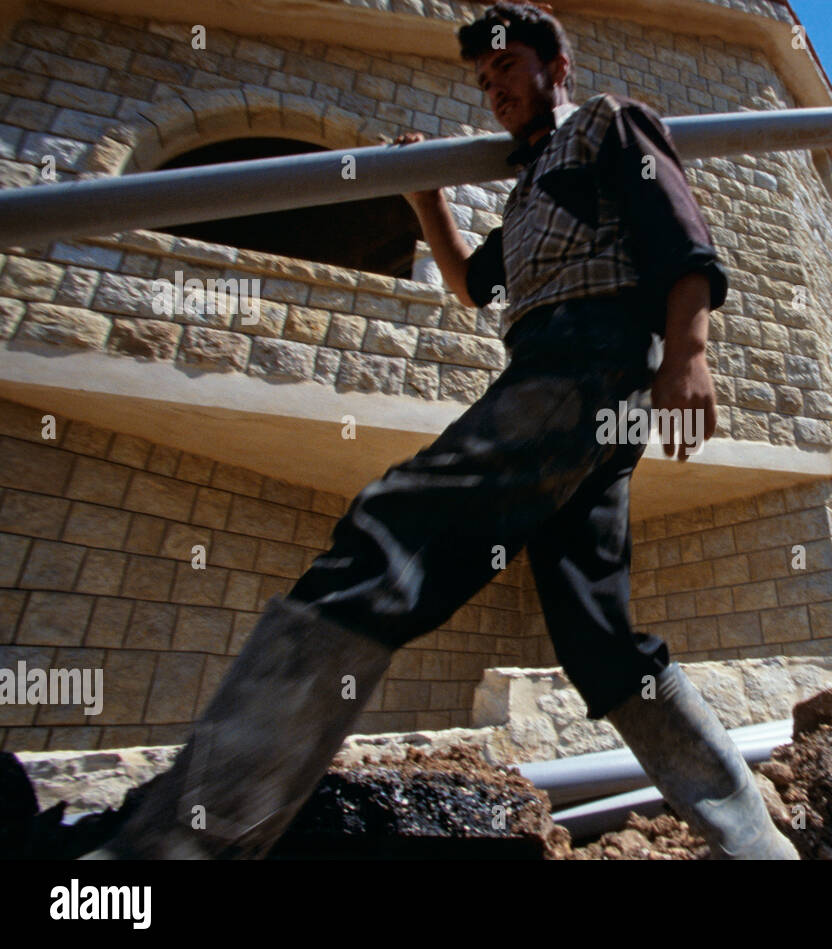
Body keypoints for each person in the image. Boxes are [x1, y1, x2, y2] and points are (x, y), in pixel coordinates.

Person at [88, 2, 795, 860]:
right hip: (556, 380)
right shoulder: (531, 185)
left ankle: (178, 849)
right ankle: (759, 847)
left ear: (554, 65)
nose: (494, 88)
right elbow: (471, 284)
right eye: (484, 79)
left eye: (506, 68)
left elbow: (685, 236)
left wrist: (689, 353)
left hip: (589, 359)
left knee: (394, 530)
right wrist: (427, 199)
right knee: (598, 639)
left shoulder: (608, 124)